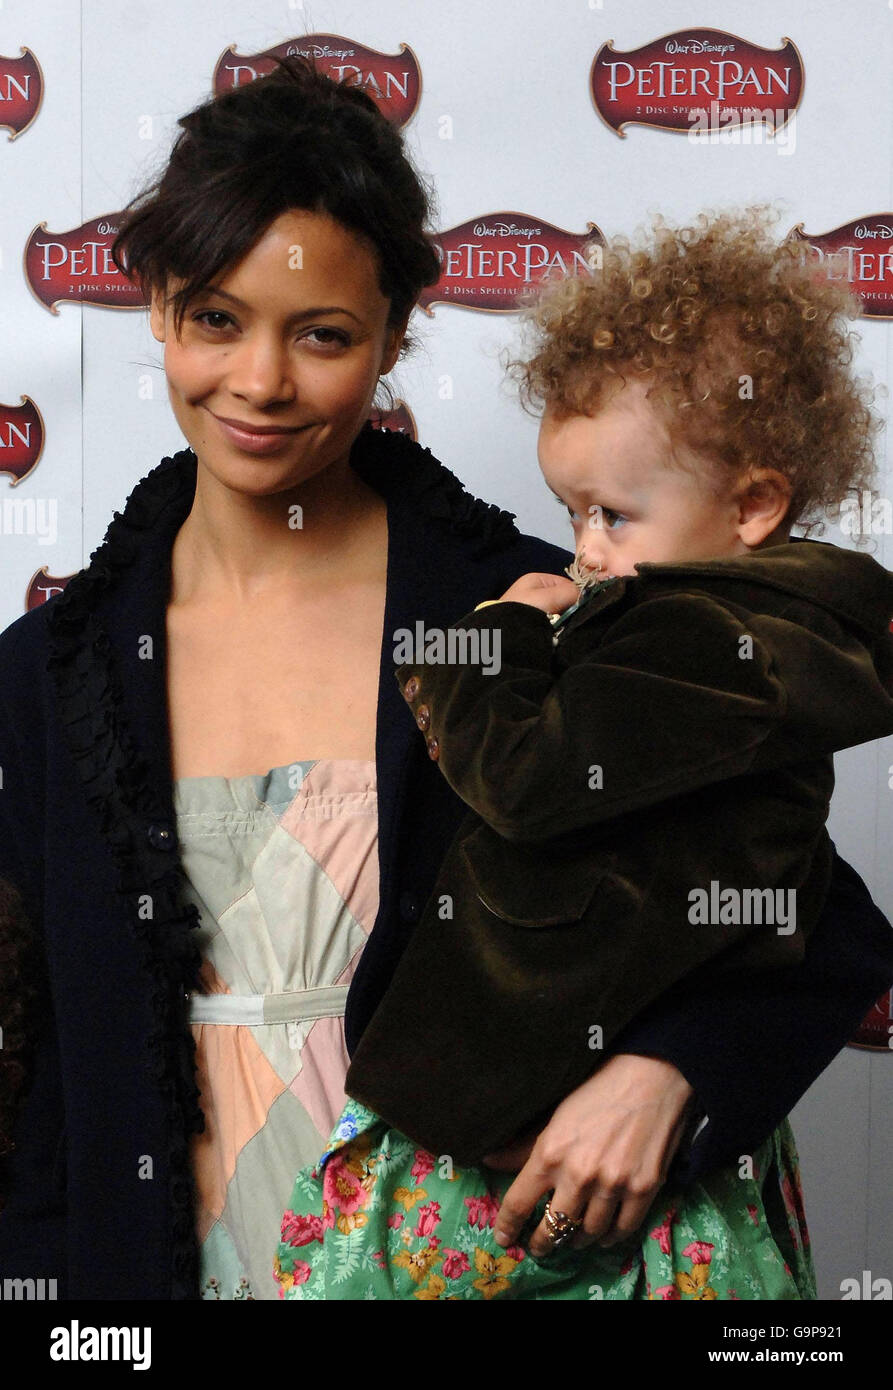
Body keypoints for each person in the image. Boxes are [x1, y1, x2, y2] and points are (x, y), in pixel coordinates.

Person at [0, 63, 890, 1303]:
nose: (259, 381)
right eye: (215, 317)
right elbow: (40, 1081)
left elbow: (804, 908)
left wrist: (672, 1074)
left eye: (320, 334)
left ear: (394, 335)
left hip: (474, 1263)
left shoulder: (536, 615)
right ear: (153, 306)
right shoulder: (53, 674)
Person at [273, 207, 893, 1301]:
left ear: (752, 504)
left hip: (553, 1175)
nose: (584, 551)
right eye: (572, 514)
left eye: (609, 513)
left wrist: (502, 634)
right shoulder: (750, 633)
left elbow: (803, 915)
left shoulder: (687, 636)